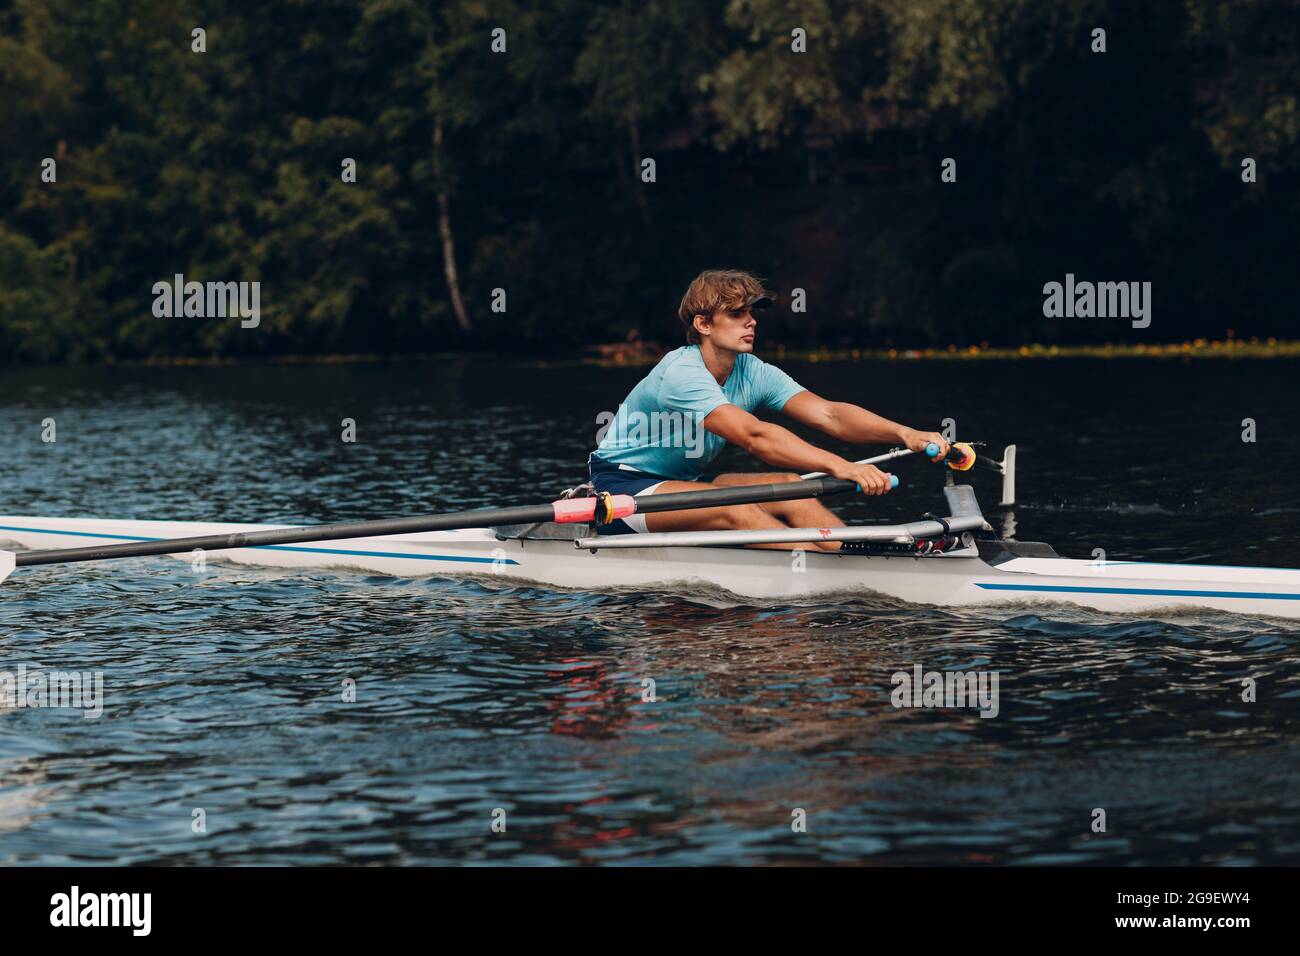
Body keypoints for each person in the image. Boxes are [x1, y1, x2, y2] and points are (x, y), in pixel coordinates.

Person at [588, 269, 949, 548]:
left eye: (752, 312)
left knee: (791, 487)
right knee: (734, 508)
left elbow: (830, 415)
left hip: (683, 483)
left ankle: (851, 555)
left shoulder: (753, 371)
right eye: (736, 313)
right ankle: (822, 570)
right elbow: (755, 437)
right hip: (621, 490)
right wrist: (841, 466)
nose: (751, 321)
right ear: (703, 324)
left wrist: (906, 433)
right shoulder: (681, 372)